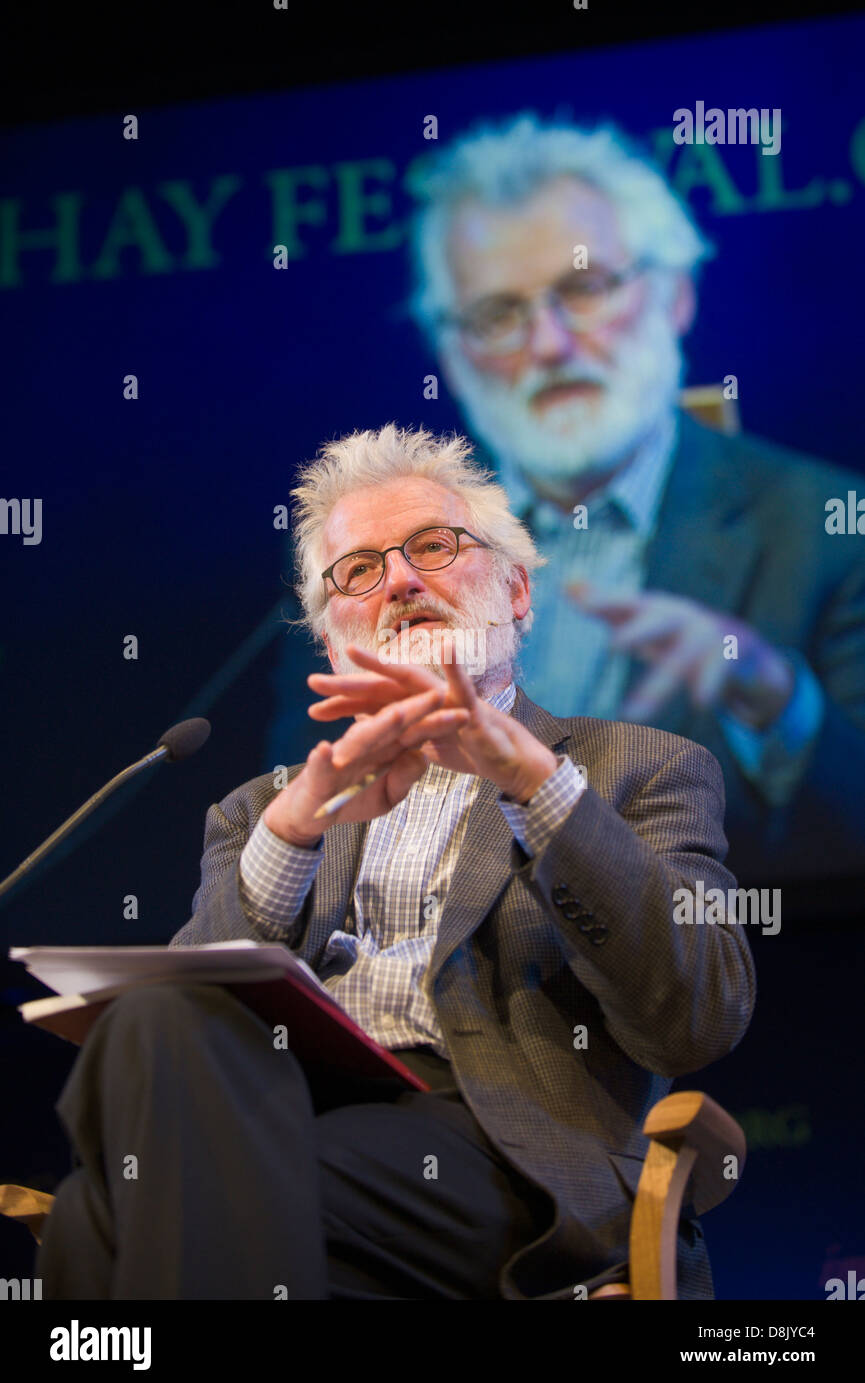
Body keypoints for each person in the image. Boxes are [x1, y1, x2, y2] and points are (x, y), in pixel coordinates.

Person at [37, 425, 755, 1301]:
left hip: (501, 1162)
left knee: (104, 1224)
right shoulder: (261, 811)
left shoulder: (642, 767)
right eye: (359, 571)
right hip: (282, 1118)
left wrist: (532, 783)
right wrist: (293, 837)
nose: (402, 583)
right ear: (330, 639)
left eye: (432, 547)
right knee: (146, 1048)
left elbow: (696, 1014)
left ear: (517, 588)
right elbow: (194, 1027)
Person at [269, 112, 865, 885]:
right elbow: (307, 823)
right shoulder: (365, 557)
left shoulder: (827, 528)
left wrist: (777, 706)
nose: (547, 344)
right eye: (496, 314)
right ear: (448, 348)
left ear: (676, 294)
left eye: (583, 289)